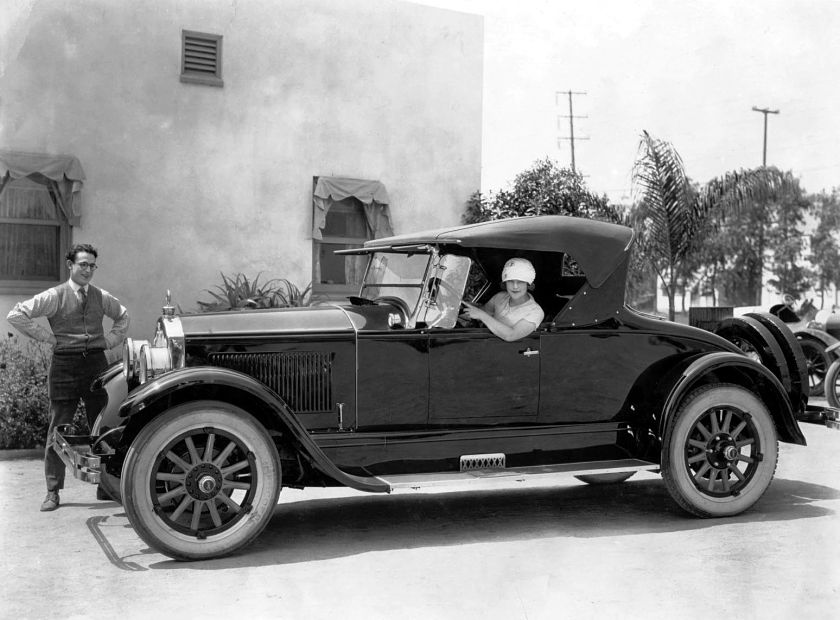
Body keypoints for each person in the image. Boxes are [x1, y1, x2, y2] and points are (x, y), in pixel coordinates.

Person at [7, 243, 129, 511]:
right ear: (70, 265)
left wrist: (109, 341)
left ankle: (105, 486)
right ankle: (52, 491)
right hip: (64, 366)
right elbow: (16, 315)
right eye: (83, 264)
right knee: (58, 428)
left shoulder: (101, 296)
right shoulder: (55, 296)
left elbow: (123, 317)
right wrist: (47, 337)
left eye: (92, 265)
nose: (87, 270)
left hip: (97, 366)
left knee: (102, 427)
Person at [461, 257, 544, 341]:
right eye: (510, 281)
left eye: (520, 281)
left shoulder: (535, 312)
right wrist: (464, 308)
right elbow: (484, 311)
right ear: (505, 282)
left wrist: (482, 315)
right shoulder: (500, 297)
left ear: (528, 284)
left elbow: (511, 336)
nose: (515, 286)